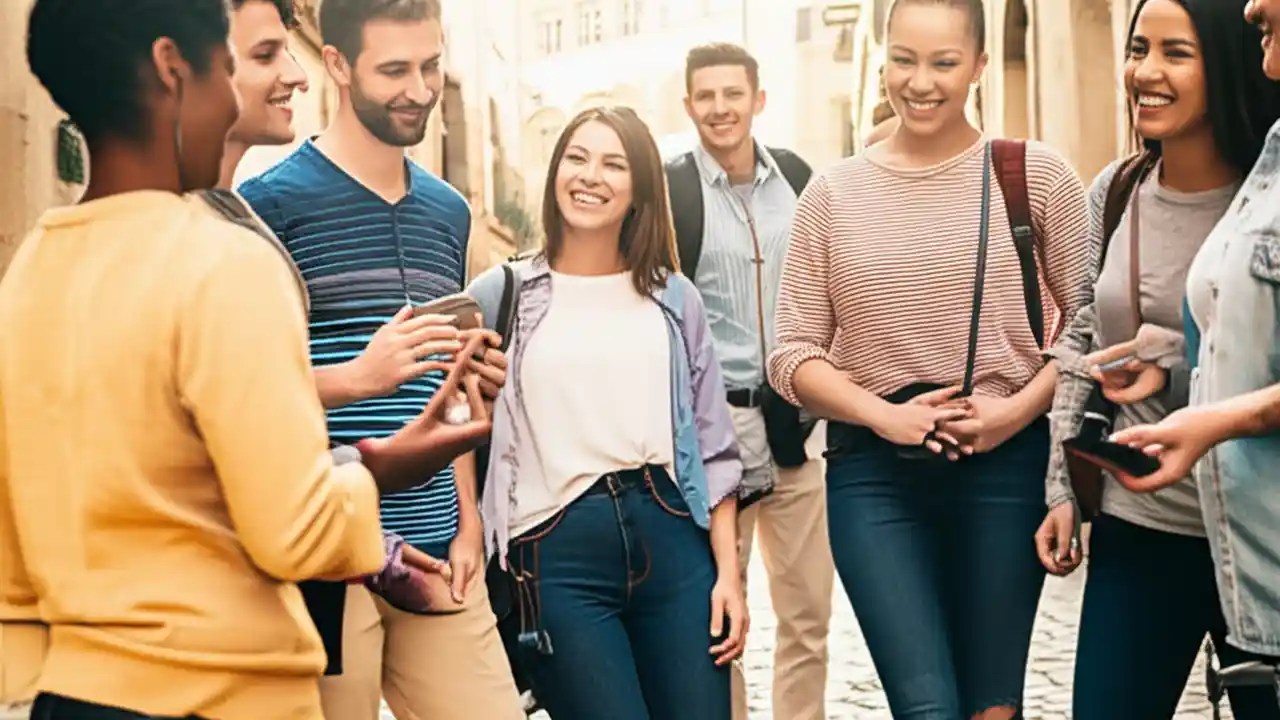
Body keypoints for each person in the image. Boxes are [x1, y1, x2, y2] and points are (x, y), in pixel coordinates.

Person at [0, 0, 409, 717]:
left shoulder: (26, 276)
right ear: (170, 68)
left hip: (69, 696)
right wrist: (374, 469)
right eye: (226, 69)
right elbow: (297, 533)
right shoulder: (224, 264)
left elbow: (11, 554)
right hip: (220, 697)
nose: (229, 103)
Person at [767, 0, 1093, 717]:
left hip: (1005, 471)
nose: (921, 82)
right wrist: (882, 414)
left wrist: (1013, 415)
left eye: (944, 62)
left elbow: (1087, 329)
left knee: (992, 707)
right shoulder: (832, 193)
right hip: (874, 479)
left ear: (978, 66)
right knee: (927, 709)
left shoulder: (1035, 177)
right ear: (883, 58)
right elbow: (790, 354)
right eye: (905, 60)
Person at [235, 1, 523, 717]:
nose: (421, 90)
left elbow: (448, 384)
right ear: (336, 65)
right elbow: (245, 394)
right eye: (394, 70)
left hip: (438, 554)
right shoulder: (267, 204)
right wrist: (359, 376)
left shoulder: (449, 210)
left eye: (430, 66)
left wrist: (468, 521)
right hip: (330, 555)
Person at [1034, 0, 1280, 716]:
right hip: (1141, 530)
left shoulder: (1262, 194)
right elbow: (1081, 334)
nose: (1145, 70)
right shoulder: (1116, 191)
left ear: (1228, 61)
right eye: (1138, 48)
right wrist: (1061, 489)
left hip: (1254, 535)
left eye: (1176, 52)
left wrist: (1180, 373)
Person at [467, 105, 747, 720]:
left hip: (673, 539)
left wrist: (728, 576)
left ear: (640, 188)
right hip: (555, 553)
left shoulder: (675, 298)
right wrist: (469, 532)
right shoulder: (503, 294)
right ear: (555, 171)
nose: (590, 176)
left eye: (613, 164)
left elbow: (715, 447)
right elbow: (460, 427)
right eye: (577, 157)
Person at [665, 41, 833, 720]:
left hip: (797, 422)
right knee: (718, 617)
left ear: (758, 100)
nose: (719, 108)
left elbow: (833, 279)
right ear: (688, 105)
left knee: (808, 616)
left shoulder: (799, 178)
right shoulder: (672, 188)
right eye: (705, 96)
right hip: (716, 432)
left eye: (732, 94)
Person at [1113, 0, 1280, 668]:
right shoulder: (1273, 155)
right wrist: (1176, 357)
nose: (1252, 5)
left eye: (1176, 52)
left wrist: (1213, 422)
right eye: (1137, 47)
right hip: (1254, 591)